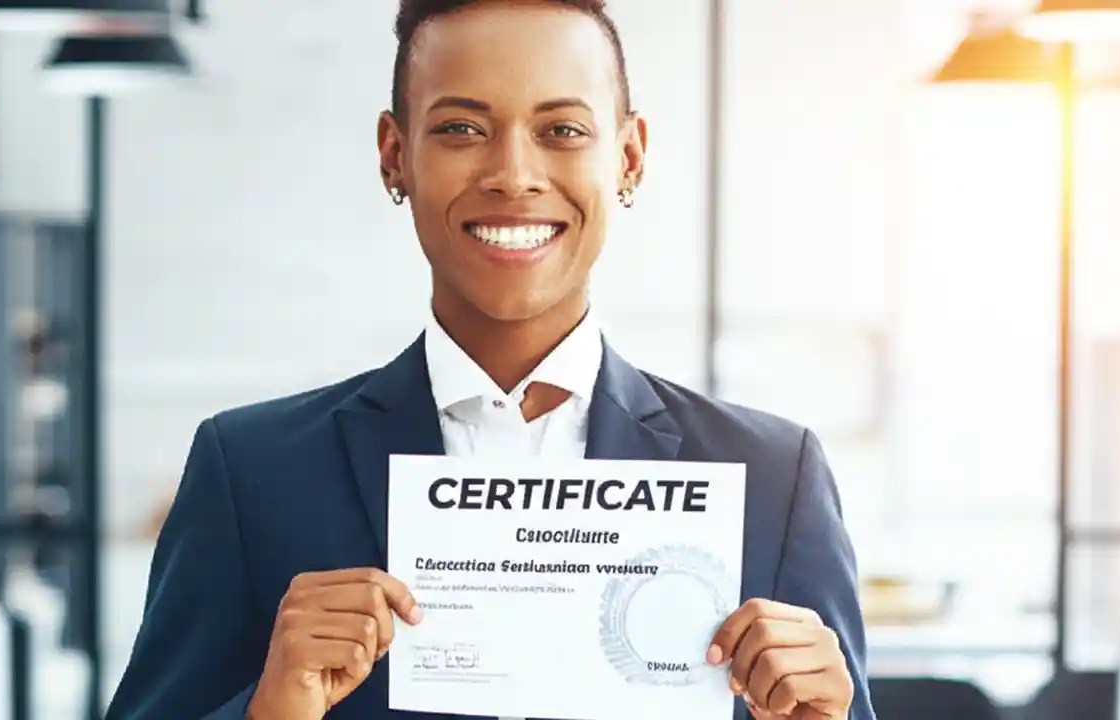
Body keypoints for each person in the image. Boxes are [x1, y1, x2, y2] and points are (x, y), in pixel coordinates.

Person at [105, 1, 876, 719]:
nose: (512, 173)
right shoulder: (251, 471)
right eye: (462, 130)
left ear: (630, 157)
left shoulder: (773, 479)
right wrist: (270, 710)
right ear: (394, 155)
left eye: (563, 130)